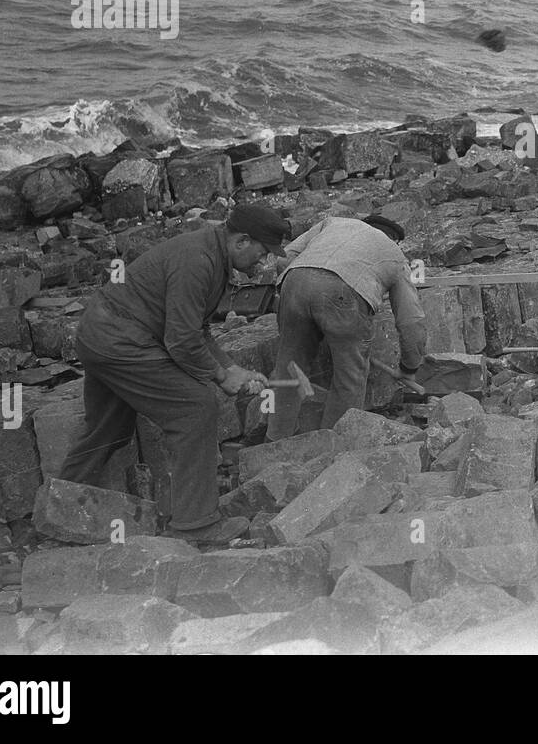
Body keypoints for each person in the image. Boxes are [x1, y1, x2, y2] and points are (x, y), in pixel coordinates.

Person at [60, 203, 288, 544]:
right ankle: (196, 525)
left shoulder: (210, 253)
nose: (265, 262)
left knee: (109, 427)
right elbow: (181, 341)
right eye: (263, 252)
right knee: (194, 408)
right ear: (242, 241)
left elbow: (197, 330)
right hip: (121, 339)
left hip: (102, 333)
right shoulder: (197, 261)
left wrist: (230, 366)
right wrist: (222, 378)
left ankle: (60, 509)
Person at [264, 214, 427, 441]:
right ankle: (334, 448)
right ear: (394, 240)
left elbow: (284, 258)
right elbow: (411, 320)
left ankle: (274, 441)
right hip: (345, 292)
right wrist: (409, 367)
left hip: (294, 280)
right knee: (349, 378)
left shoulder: (333, 222)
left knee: (287, 368)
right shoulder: (394, 254)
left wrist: (304, 294)